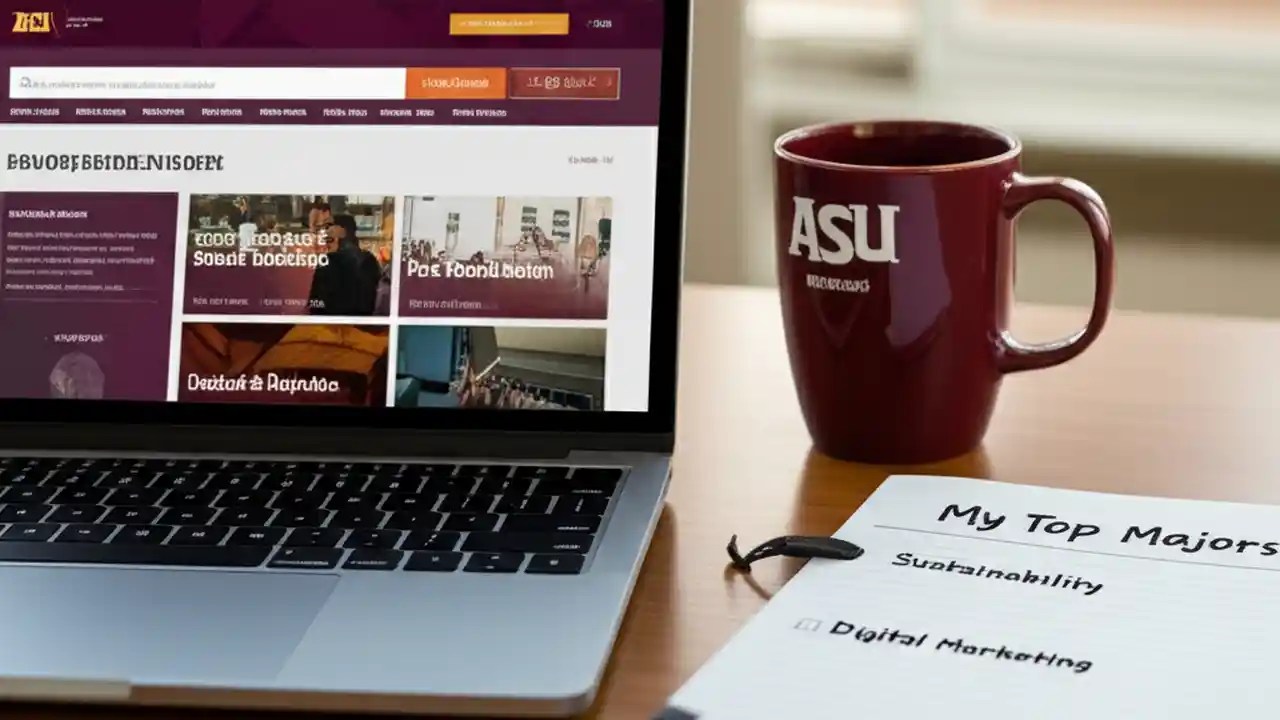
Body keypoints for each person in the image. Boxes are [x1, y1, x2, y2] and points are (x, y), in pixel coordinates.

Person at [308, 214, 381, 316]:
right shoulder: (369, 260)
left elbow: (315, 305)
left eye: (329, 226)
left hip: (331, 327)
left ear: (342, 232)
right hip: (362, 326)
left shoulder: (328, 262)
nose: (325, 232)